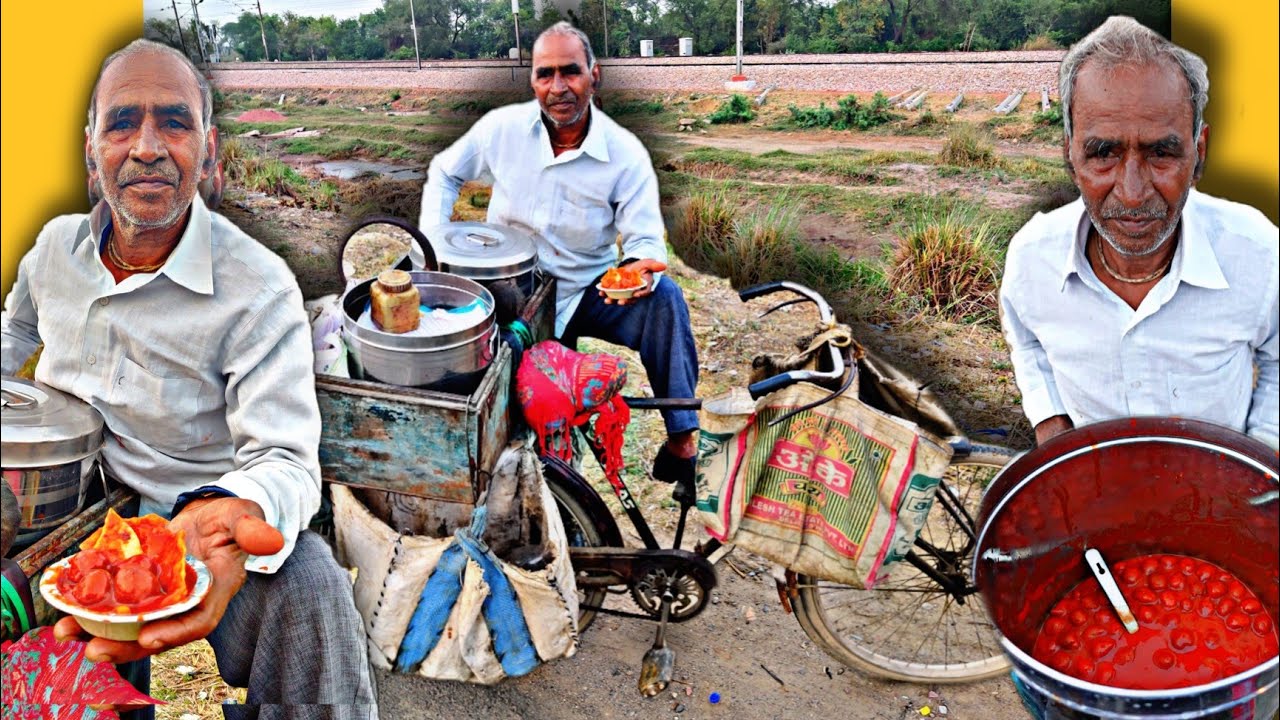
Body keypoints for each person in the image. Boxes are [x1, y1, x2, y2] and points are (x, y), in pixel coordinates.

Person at [0, 40, 377, 719]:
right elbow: (15, 335)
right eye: (122, 123)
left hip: (198, 525)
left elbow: (286, 459)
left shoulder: (257, 287)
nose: (146, 147)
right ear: (92, 154)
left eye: (173, 122)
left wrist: (231, 512)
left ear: (208, 155)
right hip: (69, 506)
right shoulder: (54, 249)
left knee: (311, 585)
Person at [419, 22, 701, 482]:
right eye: (544, 74)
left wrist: (639, 269)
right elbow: (445, 172)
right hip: (510, 290)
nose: (558, 87)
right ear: (532, 80)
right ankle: (552, 484)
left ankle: (682, 441)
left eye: (570, 72)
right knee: (530, 409)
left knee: (665, 298)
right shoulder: (503, 129)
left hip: (585, 291)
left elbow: (644, 240)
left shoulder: (624, 154)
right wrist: (434, 241)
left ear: (594, 74)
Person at [999, 16, 1279, 449]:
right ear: (1070, 154)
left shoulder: (1257, 252)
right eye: (1103, 153)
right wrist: (1051, 422)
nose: (1132, 194)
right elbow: (1027, 342)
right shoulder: (1033, 259)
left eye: (1161, 152)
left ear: (1199, 152)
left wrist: (1257, 463)